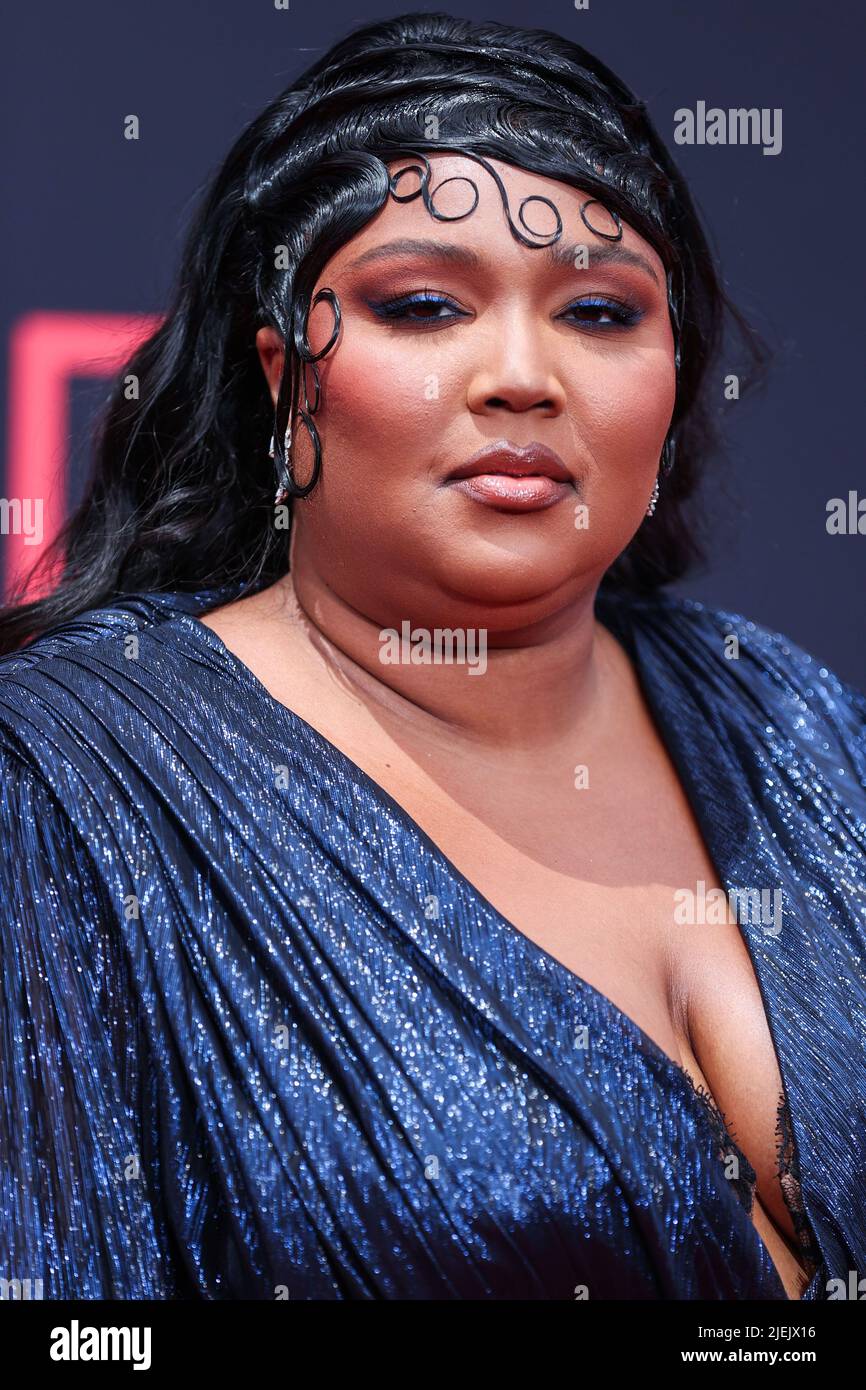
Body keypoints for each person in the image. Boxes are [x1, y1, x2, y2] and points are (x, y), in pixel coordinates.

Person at [1, 12, 864, 1301]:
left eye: (597, 309)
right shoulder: (66, 785)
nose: (523, 376)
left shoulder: (790, 714)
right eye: (421, 305)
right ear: (286, 374)